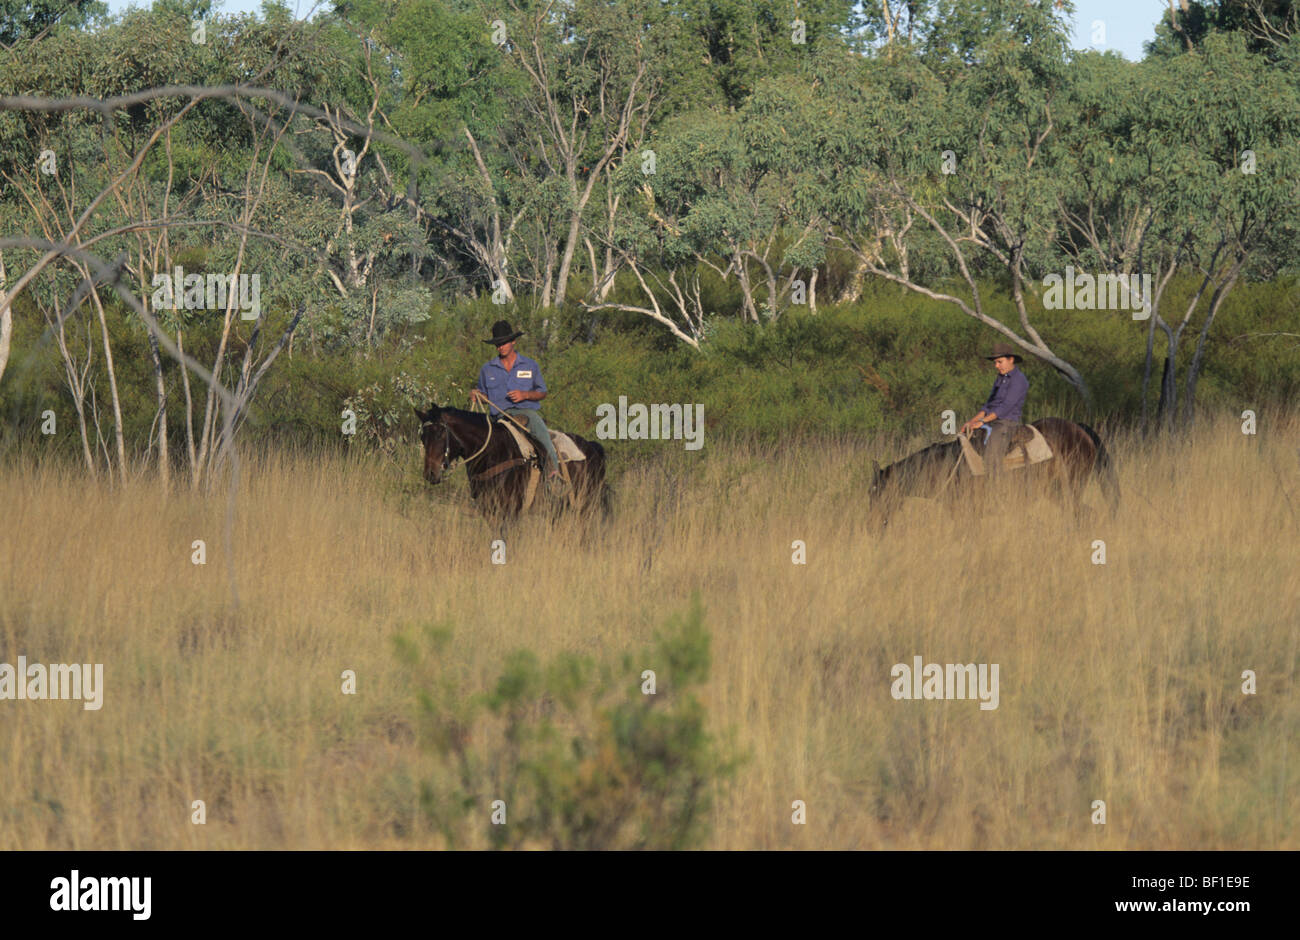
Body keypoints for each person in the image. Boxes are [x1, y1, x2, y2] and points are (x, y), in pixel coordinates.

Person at [469, 320, 566, 491]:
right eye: (497, 344)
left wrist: (525, 395)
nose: (501, 347)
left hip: (525, 414)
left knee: (543, 435)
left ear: (513, 341)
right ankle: (478, 482)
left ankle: (553, 474)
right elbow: (484, 396)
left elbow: (542, 392)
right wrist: (477, 395)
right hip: (497, 417)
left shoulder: (530, 365)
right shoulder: (487, 369)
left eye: (504, 342)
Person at [960, 342, 1028, 481]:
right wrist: (971, 422)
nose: (996, 366)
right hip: (991, 420)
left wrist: (982, 421)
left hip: (1006, 422)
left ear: (1011, 360)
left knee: (992, 459)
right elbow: (988, 405)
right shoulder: (1000, 378)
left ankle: (997, 492)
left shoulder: (1019, 380)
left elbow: (1005, 407)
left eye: (999, 362)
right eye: (995, 362)